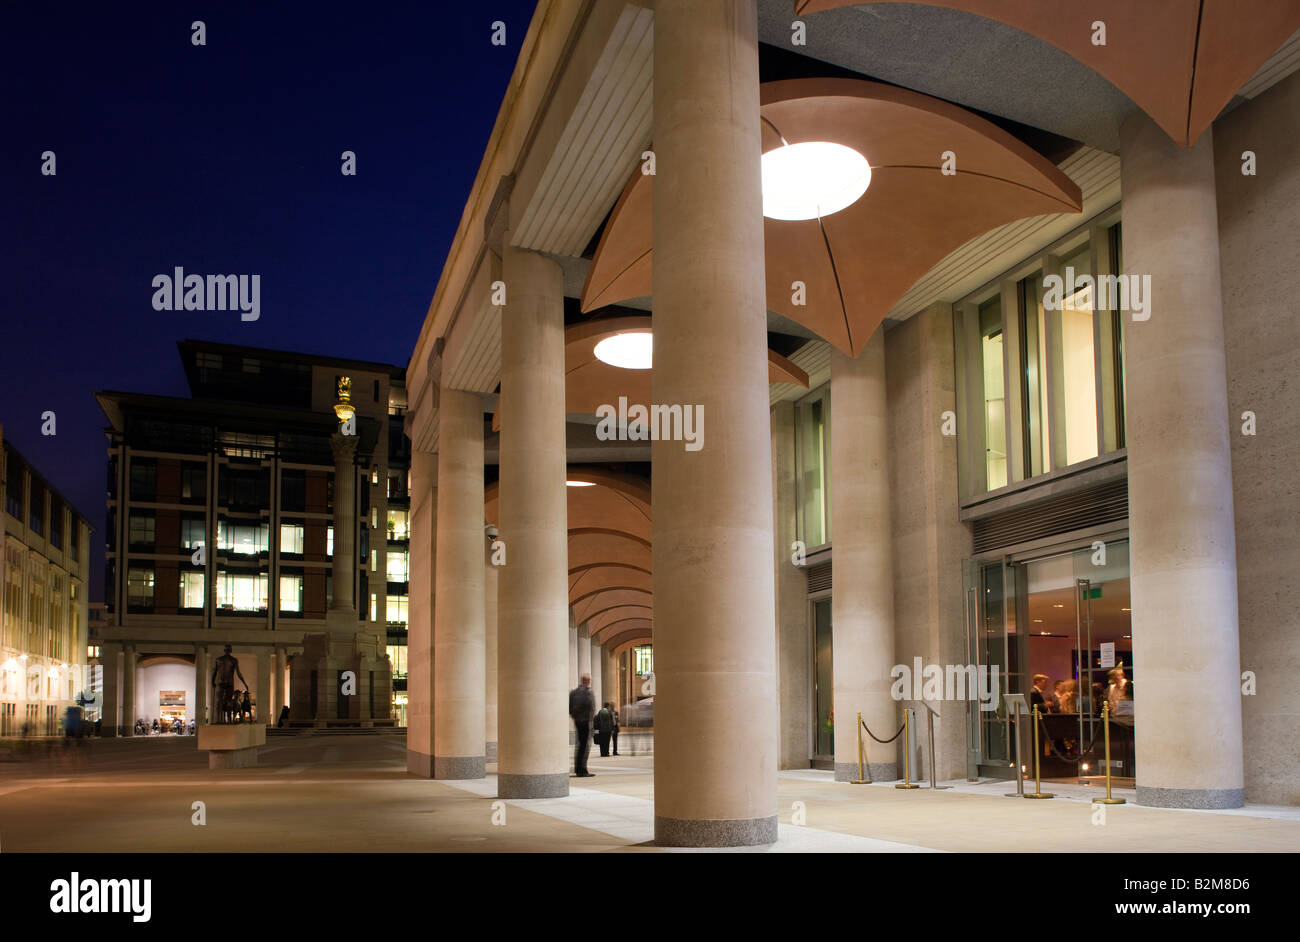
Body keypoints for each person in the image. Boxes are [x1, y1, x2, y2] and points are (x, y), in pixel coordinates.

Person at [211, 644, 248, 725]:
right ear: (230, 651)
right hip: (229, 682)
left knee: (220, 701)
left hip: (221, 682)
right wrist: (244, 683)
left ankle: (219, 719)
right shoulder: (233, 660)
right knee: (228, 701)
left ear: (224, 650)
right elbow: (238, 673)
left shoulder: (219, 659)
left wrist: (212, 681)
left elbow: (214, 672)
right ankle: (228, 720)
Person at [568, 672, 596, 777]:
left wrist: (575, 717)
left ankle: (579, 768)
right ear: (587, 681)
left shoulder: (573, 692)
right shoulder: (587, 693)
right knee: (584, 746)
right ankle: (582, 770)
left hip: (578, 721)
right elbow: (590, 707)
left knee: (579, 746)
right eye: (589, 680)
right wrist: (588, 719)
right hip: (585, 722)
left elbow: (570, 707)